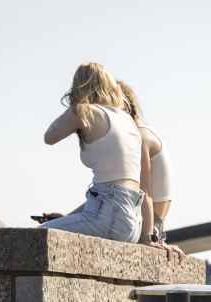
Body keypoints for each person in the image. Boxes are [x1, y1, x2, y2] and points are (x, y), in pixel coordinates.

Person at [40, 62, 170, 253]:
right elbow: (140, 192)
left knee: (35, 237)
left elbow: (49, 137)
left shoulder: (84, 111)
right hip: (131, 224)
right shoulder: (127, 121)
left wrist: (76, 108)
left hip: (108, 217)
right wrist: (147, 238)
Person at [118, 81, 173, 244]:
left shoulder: (141, 138)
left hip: (148, 223)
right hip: (152, 221)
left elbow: (144, 193)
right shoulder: (145, 132)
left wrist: (148, 237)